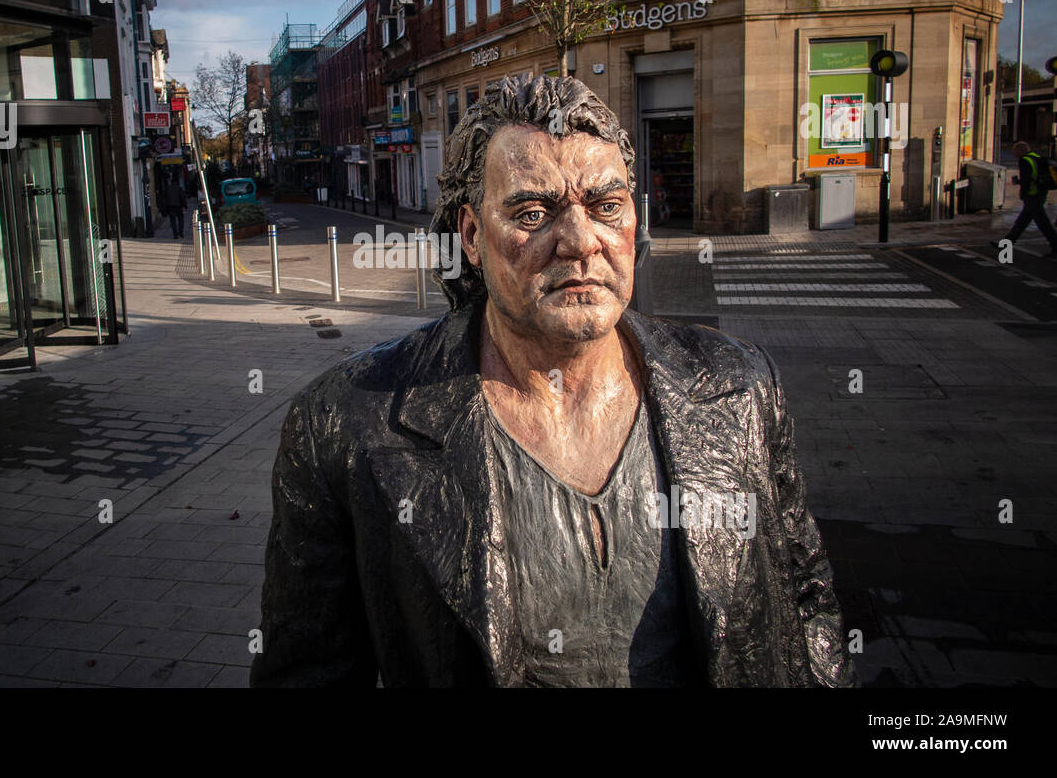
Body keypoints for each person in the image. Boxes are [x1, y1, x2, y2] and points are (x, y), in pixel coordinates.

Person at [251, 74, 854, 688]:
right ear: (471, 238)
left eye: (606, 206)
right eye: (533, 213)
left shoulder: (742, 390)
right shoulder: (344, 426)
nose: (579, 241)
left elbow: (805, 607)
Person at [998, 141, 1057, 257]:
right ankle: (1006, 243)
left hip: (1032, 196)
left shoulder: (1025, 160)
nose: (1015, 155)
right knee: (1022, 222)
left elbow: (1027, 180)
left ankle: (1055, 246)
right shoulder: (1036, 157)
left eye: (1015, 152)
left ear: (1020, 151)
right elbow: (1034, 176)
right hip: (1040, 193)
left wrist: (1022, 195)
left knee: (1043, 224)